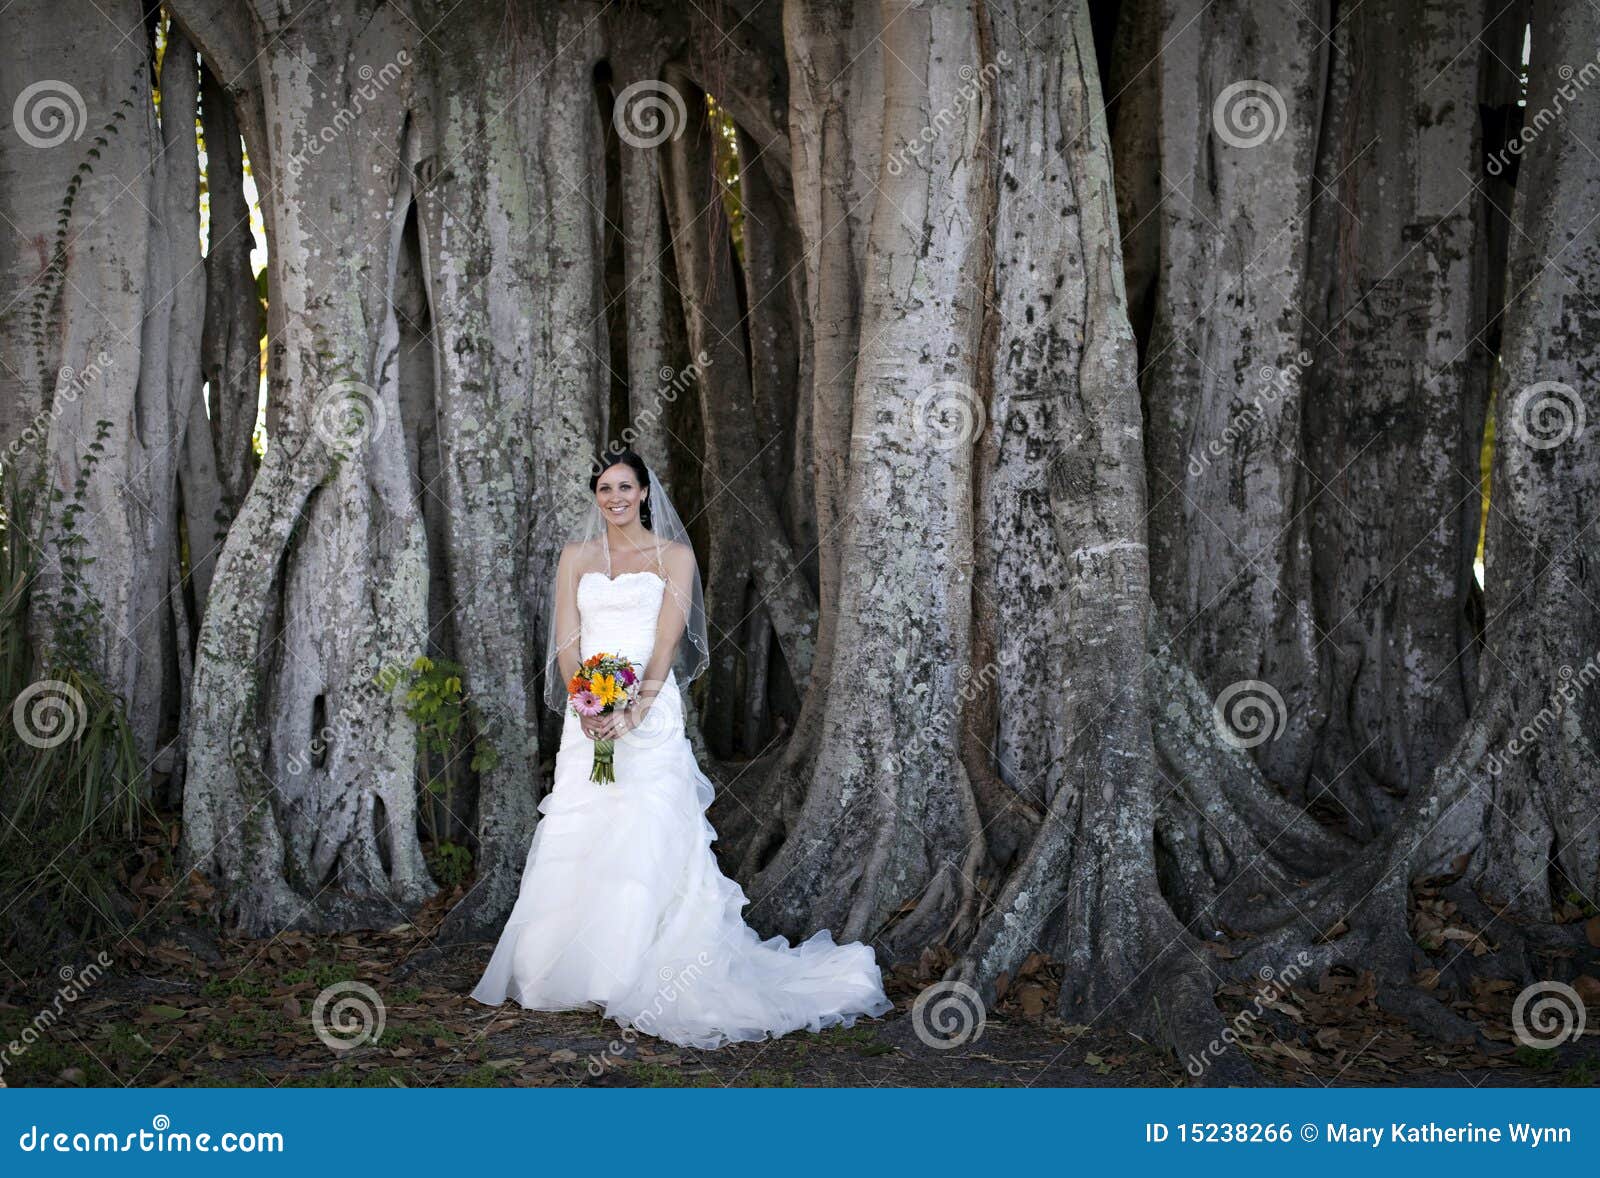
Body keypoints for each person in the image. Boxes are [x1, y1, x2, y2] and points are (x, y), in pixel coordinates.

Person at [470, 448, 893, 1049]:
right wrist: (586, 702)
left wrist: (634, 707)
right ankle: (568, 967)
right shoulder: (575, 558)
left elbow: (667, 641)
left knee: (647, 821)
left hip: (649, 707)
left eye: (625, 487)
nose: (614, 498)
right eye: (604, 488)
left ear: (644, 492)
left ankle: (637, 967)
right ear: (595, 496)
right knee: (583, 823)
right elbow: (568, 637)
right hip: (588, 708)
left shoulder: (674, 556)